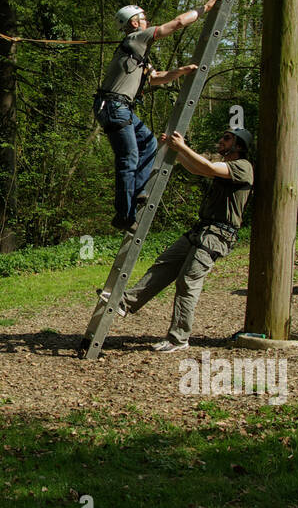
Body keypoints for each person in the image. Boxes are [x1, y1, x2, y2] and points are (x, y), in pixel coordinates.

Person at [103, 128, 253, 352]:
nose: (221, 141)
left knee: (188, 280)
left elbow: (208, 167)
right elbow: (197, 169)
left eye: (227, 138)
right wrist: (177, 150)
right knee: (165, 263)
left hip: (218, 235)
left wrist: (182, 146)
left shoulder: (243, 166)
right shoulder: (227, 167)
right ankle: (127, 302)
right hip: (202, 230)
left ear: (239, 146)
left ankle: (178, 338)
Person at [94, 0, 221, 230]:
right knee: (129, 158)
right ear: (133, 23)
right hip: (114, 107)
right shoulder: (136, 38)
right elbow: (176, 24)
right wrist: (205, 8)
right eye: (143, 18)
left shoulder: (138, 55)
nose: (147, 22)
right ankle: (124, 214)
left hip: (122, 109)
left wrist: (180, 72)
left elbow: (155, 79)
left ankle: (137, 192)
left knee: (150, 144)